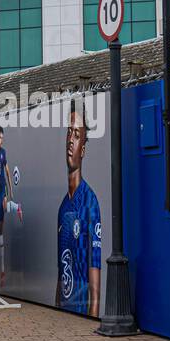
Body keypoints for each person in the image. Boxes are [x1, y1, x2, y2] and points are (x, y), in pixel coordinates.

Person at [56, 98, 101, 317]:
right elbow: (60, 269)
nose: (71, 141)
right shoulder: (63, 206)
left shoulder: (90, 202)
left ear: (82, 149)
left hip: (82, 312)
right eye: (69, 133)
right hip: (64, 310)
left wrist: (93, 314)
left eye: (77, 135)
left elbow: (94, 262)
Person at [0, 126, 23, 285]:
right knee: (0, 228)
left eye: (3, 138)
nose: (1, 140)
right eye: (0, 137)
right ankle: (2, 271)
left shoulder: (3, 153)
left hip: (3, 189)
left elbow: (7, 172)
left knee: (4, 206)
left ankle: (16, 207)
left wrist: (10, 190)